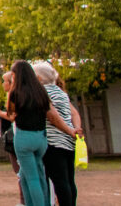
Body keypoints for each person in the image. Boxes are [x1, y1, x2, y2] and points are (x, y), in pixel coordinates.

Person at [0, 61, 81, 206]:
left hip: (36, 139)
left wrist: (70, 130)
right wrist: (73, 130)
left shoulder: (24, 92)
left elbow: (14, 115)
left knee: (34, 178)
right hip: (49, 140)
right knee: (51, 177)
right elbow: (68, 113)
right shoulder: (52, 93)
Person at [34, 62, 80, 206]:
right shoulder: (62, 93)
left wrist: (68, 130)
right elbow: (74, 113)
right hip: (68, 142)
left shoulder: (43, 93)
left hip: (53, 142)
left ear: (39, 78)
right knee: (69, 180)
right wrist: (75, 129)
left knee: (59, 181)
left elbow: (52, 117)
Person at [0, 70, 25, 206]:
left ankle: (24, 200)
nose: (3, 84)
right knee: (20, 171)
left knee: (21, 171)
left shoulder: (14, 96)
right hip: (16, 135)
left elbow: (12, 116)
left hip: (19, 137)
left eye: (5, 81)